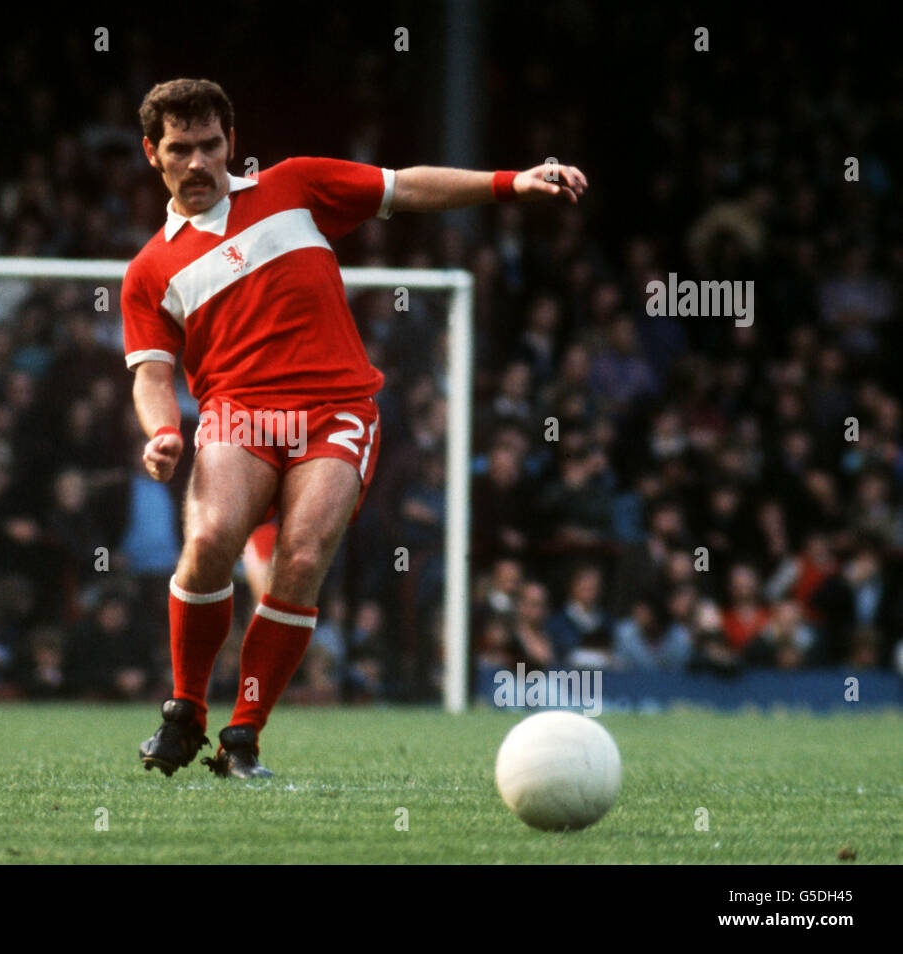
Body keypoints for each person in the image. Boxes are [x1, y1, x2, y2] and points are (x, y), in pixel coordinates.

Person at [125, 78, 586, 778]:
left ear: (231, 144)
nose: (198, 162)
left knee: (302, 559)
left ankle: (243, 734)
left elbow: (406, 188)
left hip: (335, 409)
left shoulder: (293, 185)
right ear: (152, 153)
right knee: (212, 538)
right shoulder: (149, 269)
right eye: (181, 148)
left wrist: (509, 183)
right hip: (237, 414)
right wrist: (161, 431)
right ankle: (186, 710)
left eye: (211, 145)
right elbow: (152, 374)